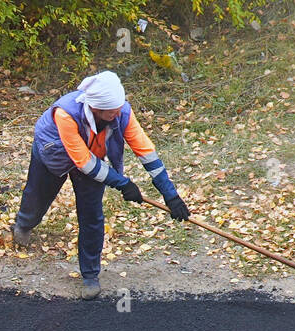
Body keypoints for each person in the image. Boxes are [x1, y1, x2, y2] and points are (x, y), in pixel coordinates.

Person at [12, 70, 192, 299]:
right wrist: (123, 183)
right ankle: (24, 224)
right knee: (38, 195)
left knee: (92, 215)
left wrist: (171, 195)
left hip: (92, 157)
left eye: (119, 108)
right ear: (96, 108)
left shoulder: (122, 112)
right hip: (54, 149)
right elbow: (84, 162)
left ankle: (90, 275)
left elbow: (146, 153)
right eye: (112, 111)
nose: (118, 113)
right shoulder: (66, 114)